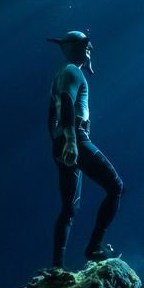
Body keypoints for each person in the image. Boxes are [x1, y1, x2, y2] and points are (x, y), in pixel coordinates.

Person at [46, 31, 123, 268]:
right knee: (116, 187)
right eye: (85, 44)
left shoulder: (61, 75)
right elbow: (67, 100)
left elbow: (51, 117)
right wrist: (71, 140)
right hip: (76, 137)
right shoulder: (72, 71)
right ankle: (94, 247)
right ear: (71, 47)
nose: (90, 47)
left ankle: (57, 268)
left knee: (69, 208)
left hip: (62, 141)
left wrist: (58, 142)